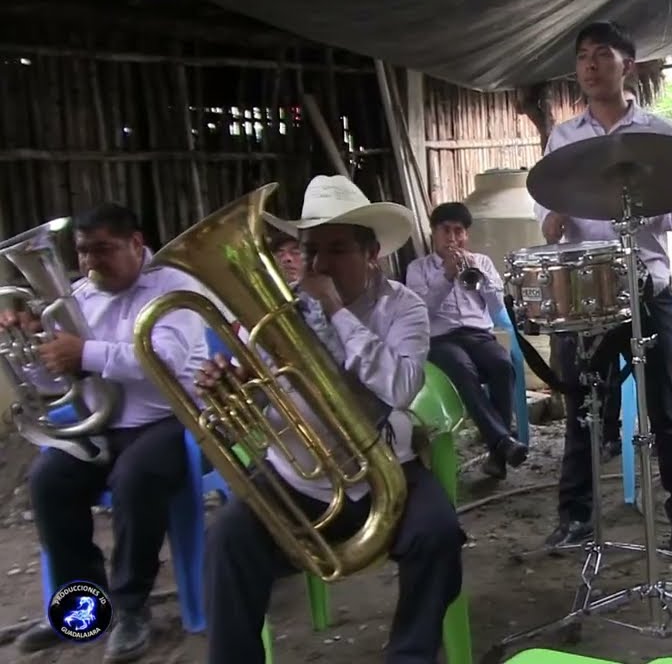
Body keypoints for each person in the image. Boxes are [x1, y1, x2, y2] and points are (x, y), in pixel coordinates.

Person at [200, 175, 464, 664]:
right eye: (311, 249)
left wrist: (337, 312)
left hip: (385, 469)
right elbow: (257, 395)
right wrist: (229, 392)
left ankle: (410, 656)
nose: (319, 264)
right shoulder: (276, 309)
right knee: (226, 541)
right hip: (297, 477)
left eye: (336, 249)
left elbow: (402, 388)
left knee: (439, 536)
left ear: (372, 255)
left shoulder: (403, 306)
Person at [4, 204, 209, 661]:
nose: (91, 262)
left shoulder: (177, 287)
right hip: (103, 428)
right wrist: (34, 354)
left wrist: (85, 352)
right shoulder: (77, 298)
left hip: (172, 422)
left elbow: (166, 360)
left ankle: (132, 607)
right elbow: (57, 383)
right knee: (48, 480)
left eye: (103, 249)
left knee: (136, 479)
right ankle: (84, 606)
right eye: (82, 252)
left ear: (136, 244)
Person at [537, 20, 672, 555]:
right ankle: (575, 516)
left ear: (626, 65)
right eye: (582, 56)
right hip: (587, 290)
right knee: (583, 410)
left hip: (648, 284)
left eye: (601, 55)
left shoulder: (659, 132)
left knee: (665, 405)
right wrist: (558, 214)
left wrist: (653, 210)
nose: (589, 65)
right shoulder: (564, 138)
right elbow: (547, 221)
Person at [405, 201, 528, 480]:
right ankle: (502, 440)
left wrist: (481, 278)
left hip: (479, 335)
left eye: (458, 231)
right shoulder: (418, 269)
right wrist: (446, 276)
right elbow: (421, 312)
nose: (452, 238)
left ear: (466, 235)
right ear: (433, 233)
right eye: (445, 231)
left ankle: (498, 453)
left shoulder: (481, 262)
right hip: (440, 339)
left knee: (501, 364)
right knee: (462, 368)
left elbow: (497, 308)